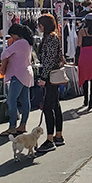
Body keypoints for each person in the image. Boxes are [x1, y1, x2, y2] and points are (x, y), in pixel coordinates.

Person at [36, 14, 65, 153]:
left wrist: (43, 77)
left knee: (48, 107)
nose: (39, 27)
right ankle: (58, 135)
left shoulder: (51, 38)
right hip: (52, 74)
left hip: (50, 76)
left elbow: (49, 59)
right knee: (55, 105)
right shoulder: (51, 37)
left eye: (40, 24)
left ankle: (50, 139)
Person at [0, 24, 34, 137]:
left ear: (16, 34)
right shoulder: (27, 42)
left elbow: (4, 54)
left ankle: (12, 126)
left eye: (12, 35)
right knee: (25, 100)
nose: (11, 38)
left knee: (11, 100)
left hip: (18, 74)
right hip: (26, 73)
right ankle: (23, 124)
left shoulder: (19, 43)